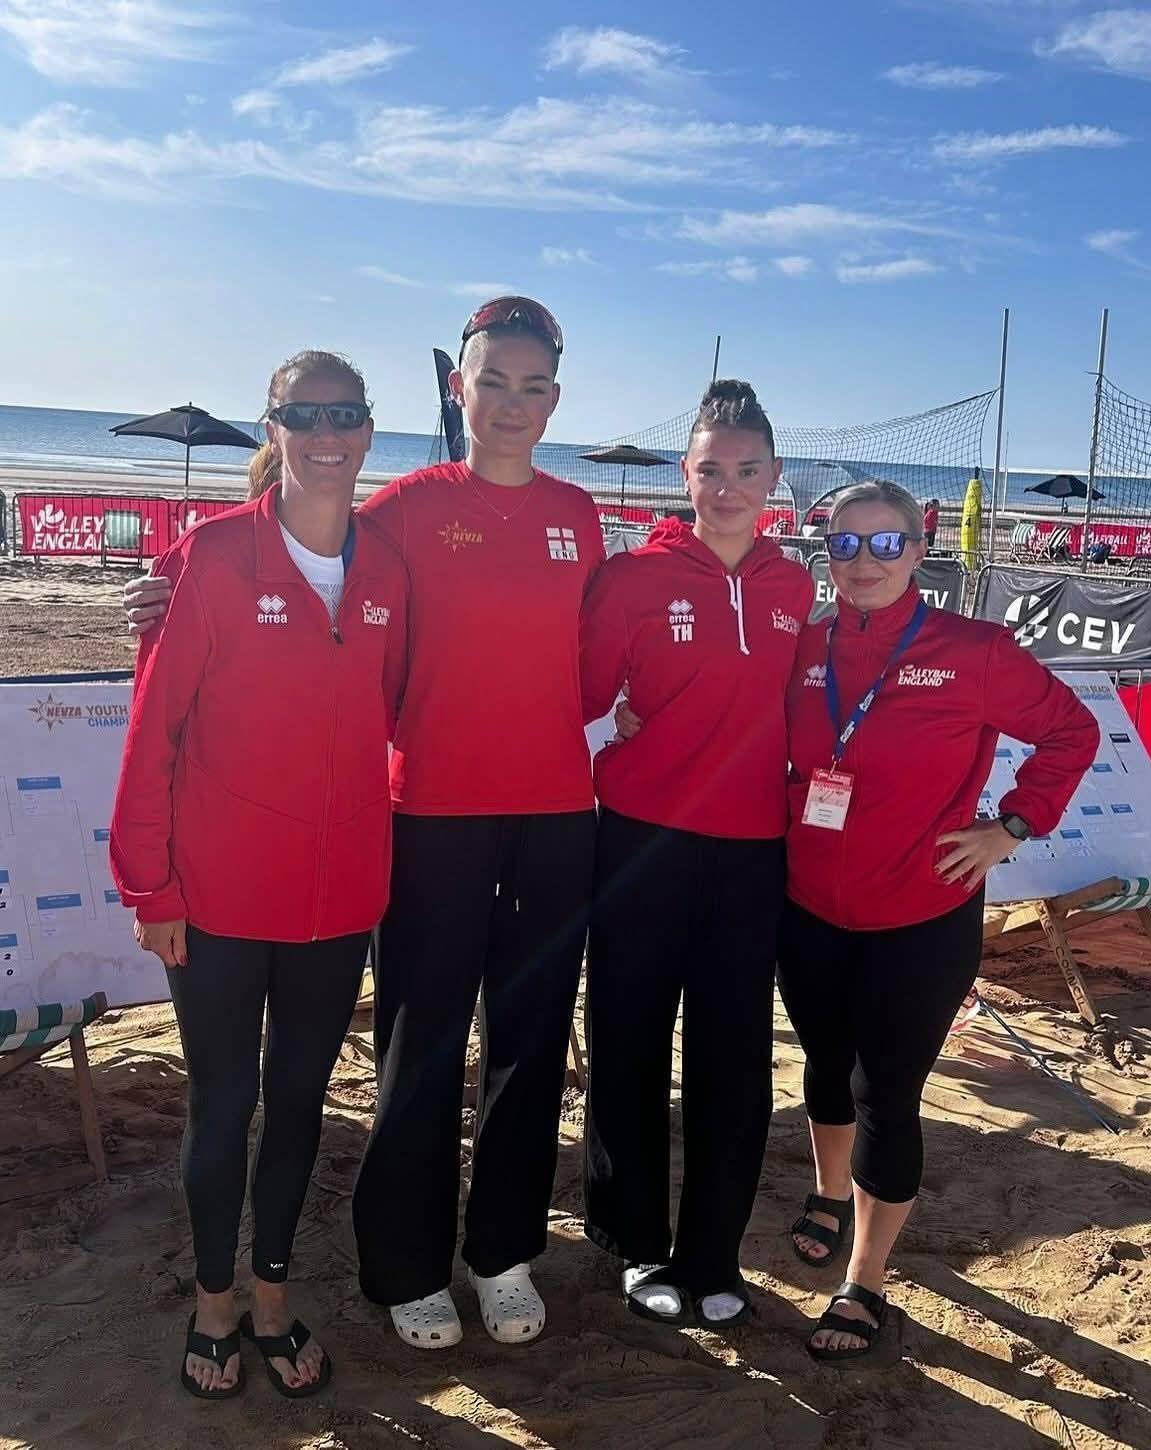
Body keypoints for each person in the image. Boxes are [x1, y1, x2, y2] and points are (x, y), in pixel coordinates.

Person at [123, 299, 605, 1350]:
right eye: (493, 383)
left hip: (558, 814)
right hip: (431, 809)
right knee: (422, 1047)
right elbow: (303, 576)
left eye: (533, 387)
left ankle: (502, 1251)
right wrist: (164, 591)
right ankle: (405, 1262)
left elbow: (606, 650)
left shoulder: (583, 514)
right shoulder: (403, 510)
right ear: (457, 391)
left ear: (555, 399)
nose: (513, 405)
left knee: (526, 1048)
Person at [110, 351, 407, 1398]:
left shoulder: (387, 570)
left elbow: (423, 702)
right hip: (221, 901)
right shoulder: (212, 553)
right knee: (221, 1101)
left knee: (299, 1105)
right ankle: (213, 1300)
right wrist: (150, 886)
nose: (329, 432)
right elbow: (153, 734)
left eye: (347, 413)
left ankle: (274, 1297)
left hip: (337, 903)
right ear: (274, 427)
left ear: (370, 430)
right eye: (306, 413)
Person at [778, 478, 1097, 1364]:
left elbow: (1072, 731)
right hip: (806, 908)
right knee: (825, 1068)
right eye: (846, 544)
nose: (866, 562)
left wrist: (1012, 826)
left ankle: (863, 1282)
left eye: (887, 545)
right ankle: (829, 1192)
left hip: (920, 916)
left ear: (920, 552)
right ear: (825, 552)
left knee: (888, 1093)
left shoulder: (974, 649)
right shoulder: (802, 647)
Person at [580, 381, 814, 1328]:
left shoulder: (795, 585)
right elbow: (581, 694)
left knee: (733, 1058)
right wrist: (617, 724)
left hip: (752, 851)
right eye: (710, 469)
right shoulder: (631, 577)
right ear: (686, 474)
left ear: (774, 480)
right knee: (628, 1044)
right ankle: (639, 1244)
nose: (727, 487)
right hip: (640, 842)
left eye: (746, 470)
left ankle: (713, 1251)